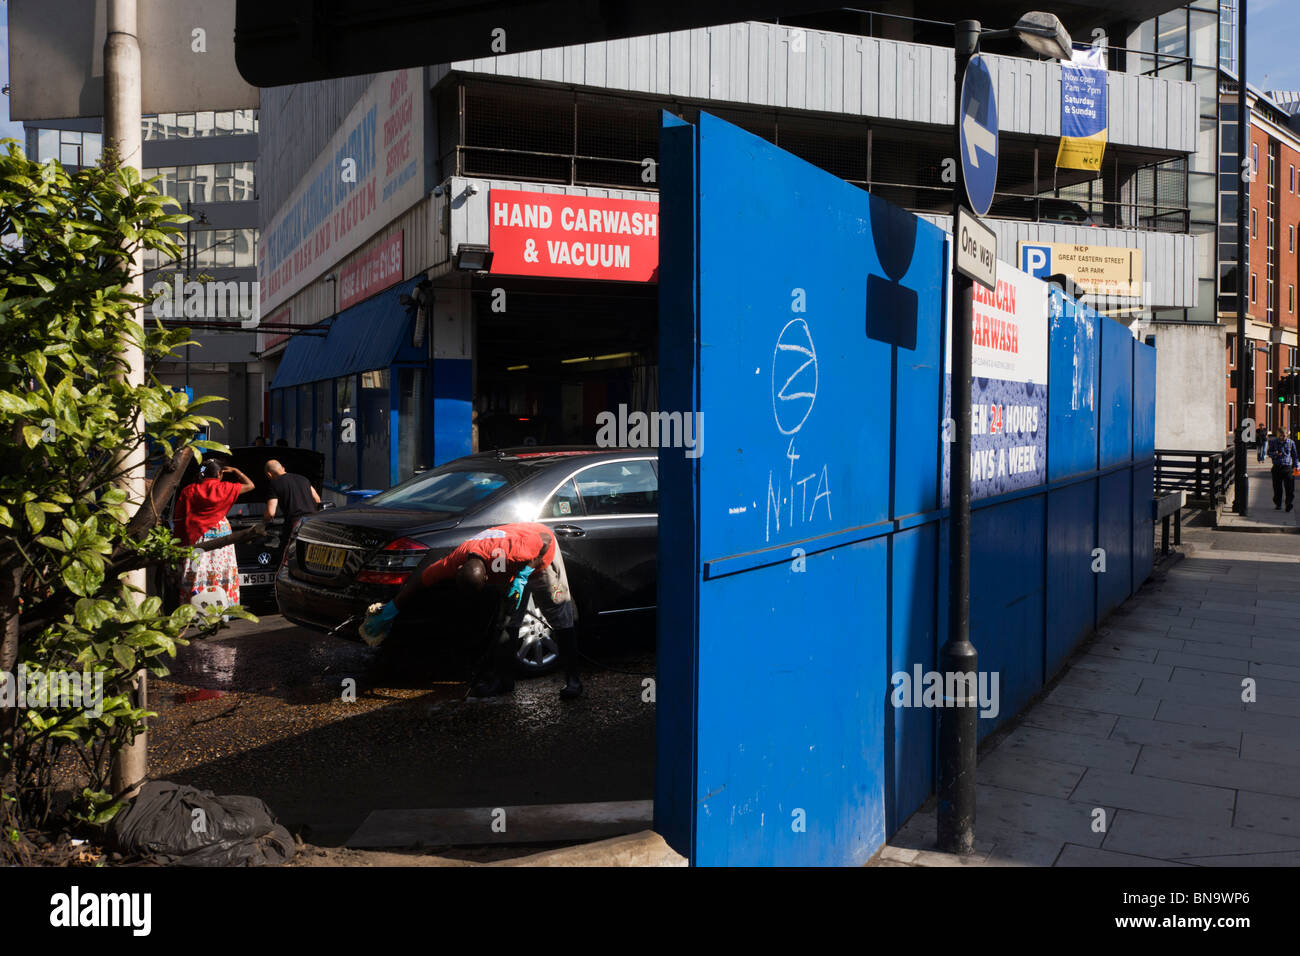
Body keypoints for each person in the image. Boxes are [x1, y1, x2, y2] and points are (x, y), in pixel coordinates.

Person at [360, 522, 582, 700]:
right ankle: (503, 680)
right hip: (506, 560)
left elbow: (543, 541)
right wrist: (390, 610)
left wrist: (524, 574)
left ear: (486, 576)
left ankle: (573, 680)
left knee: (559, 615)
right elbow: (419, 582)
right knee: (507, 620)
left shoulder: (514, 552)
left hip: (540, 553)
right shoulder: (453, 560)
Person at [173, 460, 255, 610]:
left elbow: (179, 518)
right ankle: (223, 608)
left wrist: (177, 544)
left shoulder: (190, 490)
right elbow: (250, 485)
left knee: (195, 571)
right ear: (219, 474)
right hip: (222, 536)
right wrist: (237, 471)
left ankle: (193, 609)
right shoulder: (225, 487)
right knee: (222, 571)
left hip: (197, 538)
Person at [264, 459, 321, 533]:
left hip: (295, 526)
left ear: (269, 474)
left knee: (285, 544)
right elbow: (317, 500)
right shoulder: (303, 479)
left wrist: (263, 522)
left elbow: (271, 513)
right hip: (313, 522)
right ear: (283, 468)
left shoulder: (274, 484)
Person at [1266, 430, 1299, 512]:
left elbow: (1294, 455)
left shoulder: (1291, 442)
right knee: (1277, 487)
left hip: (1287, 467)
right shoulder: (1273, 442)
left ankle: (1288, 503)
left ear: (1287, 434)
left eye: (1284, 435)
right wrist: (1275, 453)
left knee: (1289, 488)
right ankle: (1278, 503)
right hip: (1277, 467)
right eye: (1281, 435)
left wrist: (1296, 466)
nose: (1283, 437)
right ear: (1278, 435)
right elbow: (1269, 453)